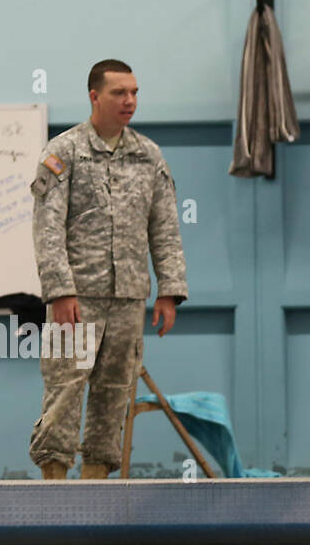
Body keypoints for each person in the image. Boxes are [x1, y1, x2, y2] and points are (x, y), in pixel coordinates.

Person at [28, 59, 189, 479]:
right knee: (65, 390)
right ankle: (54, 488)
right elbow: (47, 228)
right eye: (120, 93)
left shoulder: (148, 156)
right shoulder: (64, 152)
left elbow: (165, 227)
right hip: (78, 298)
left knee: (114, 395)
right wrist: (60, 291)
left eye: (134, 92)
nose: (130, 101)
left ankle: (96, 488)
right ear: (94, 96)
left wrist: (169, 291)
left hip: (129, 299)